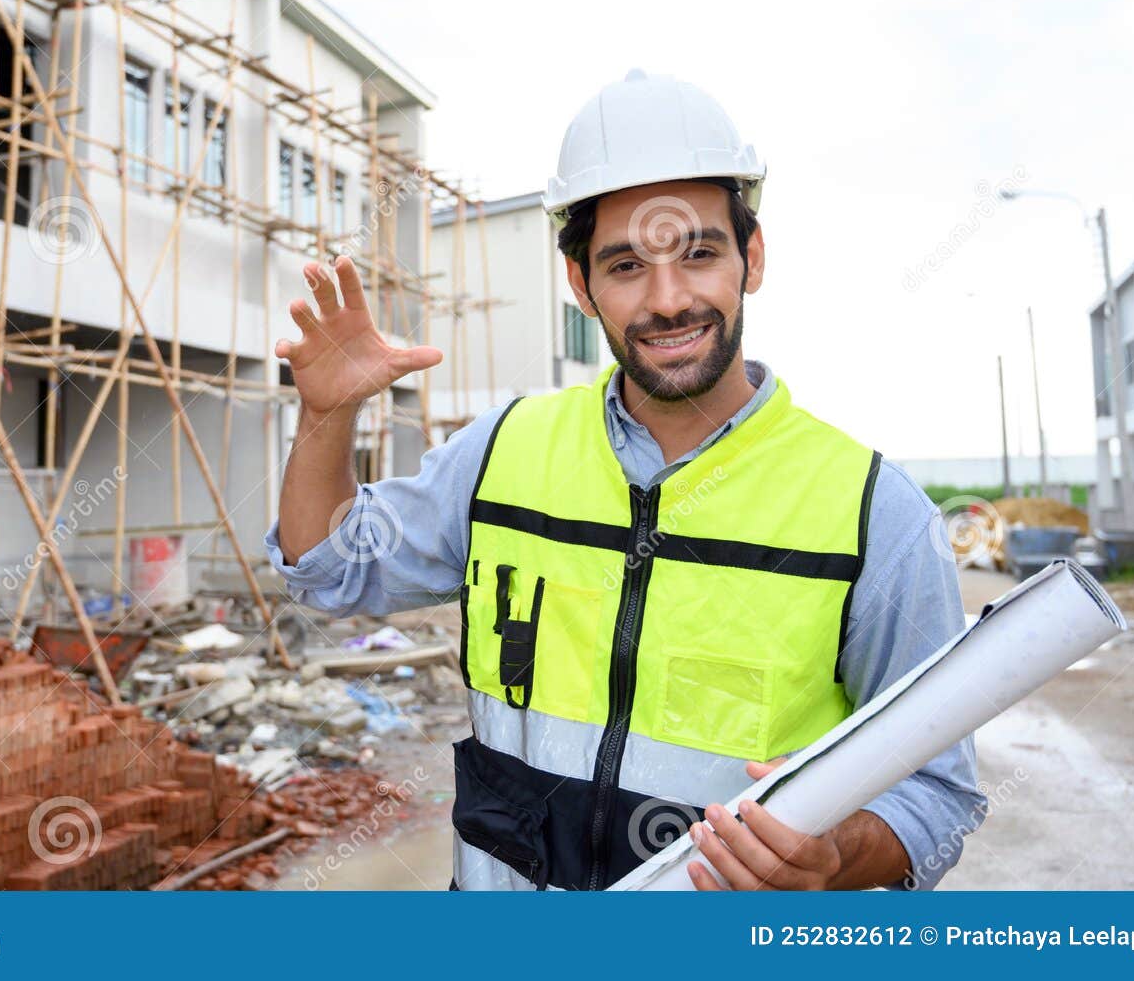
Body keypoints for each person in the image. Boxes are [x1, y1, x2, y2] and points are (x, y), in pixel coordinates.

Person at [267, 69, 983, 891]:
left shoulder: (872, 514)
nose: (668, 299)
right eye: (626, 265)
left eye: (700, 253)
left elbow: (936, 792)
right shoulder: (504, 450)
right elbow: (328, 567)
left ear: (752, 256)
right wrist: (326, 419)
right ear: (581, 285)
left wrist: (833, 855)